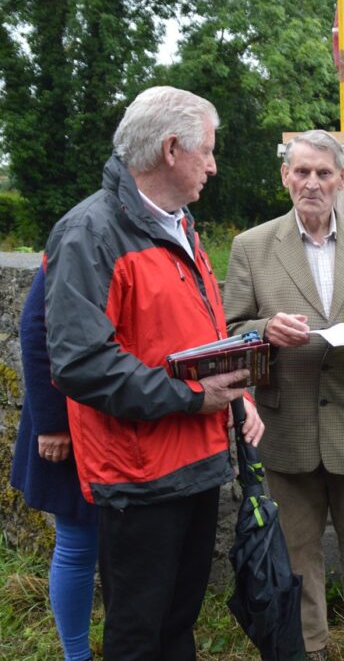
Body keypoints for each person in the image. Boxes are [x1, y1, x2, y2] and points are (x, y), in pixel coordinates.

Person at [44, 86, 265, 661]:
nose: (214, 167)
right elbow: (80, 363)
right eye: (208, 152)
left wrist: (235, 388)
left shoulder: (180, 224)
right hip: (139, 475)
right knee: (138, 632)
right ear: (171, 149)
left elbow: (189, 331)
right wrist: (195, 395)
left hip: (195, 459)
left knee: (176, 624)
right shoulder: (88, 235)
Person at [223, 129, 344, 661]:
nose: (312, 183)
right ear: (285, 175)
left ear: (342, 178)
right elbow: (230, 330)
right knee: (296, 551)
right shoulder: (251, 247)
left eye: (323, 173)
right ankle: (306, 647)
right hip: (287, 427)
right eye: (301, 172)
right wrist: (263, 330)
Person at [10, 267, 98, 661]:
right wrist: (51, 423)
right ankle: (76, 655)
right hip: (70, 421)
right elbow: (35, 330)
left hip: (125, 415)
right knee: (77, 544)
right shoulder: (77, 230)